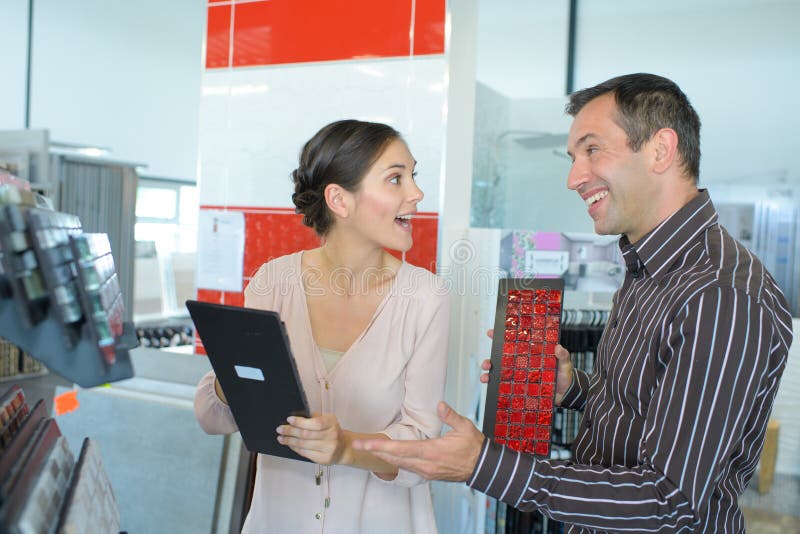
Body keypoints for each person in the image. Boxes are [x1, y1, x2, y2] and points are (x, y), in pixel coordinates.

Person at [354, 73, 794, 532]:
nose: (573, 178)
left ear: (661, 150)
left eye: (592, 150)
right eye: (572, 157)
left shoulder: (719, 295)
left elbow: (669, 501)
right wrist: (573, 387)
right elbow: (645, 414)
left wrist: (484, 464)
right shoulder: (650, 267)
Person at [194, 119, 449, 533]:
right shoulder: (273, 283)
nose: (416, 193)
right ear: (340, 200)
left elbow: (421, 448)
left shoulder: (425, 298)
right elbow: (212, 417)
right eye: (396, 179)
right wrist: (235, 376)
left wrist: (346, 448)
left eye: (413, 176)